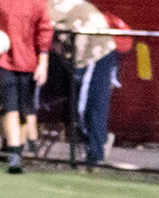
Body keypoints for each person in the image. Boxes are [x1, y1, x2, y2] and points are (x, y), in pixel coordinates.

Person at [0, 0, 53, 173]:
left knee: (24, 111)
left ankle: (23, 147)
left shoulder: (37, 3)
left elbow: (44, 31)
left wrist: (43, 63)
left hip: (29, 63)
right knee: (10, 107)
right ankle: (14, 157)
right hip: (4, 62)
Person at [48, 0, 119, 166]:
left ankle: (95, 153)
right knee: (90, 105)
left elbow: (42, 28)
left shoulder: (52, 6)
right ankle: (96, 148)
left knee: (86, 106)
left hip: (94, 53)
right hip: (98, 52)